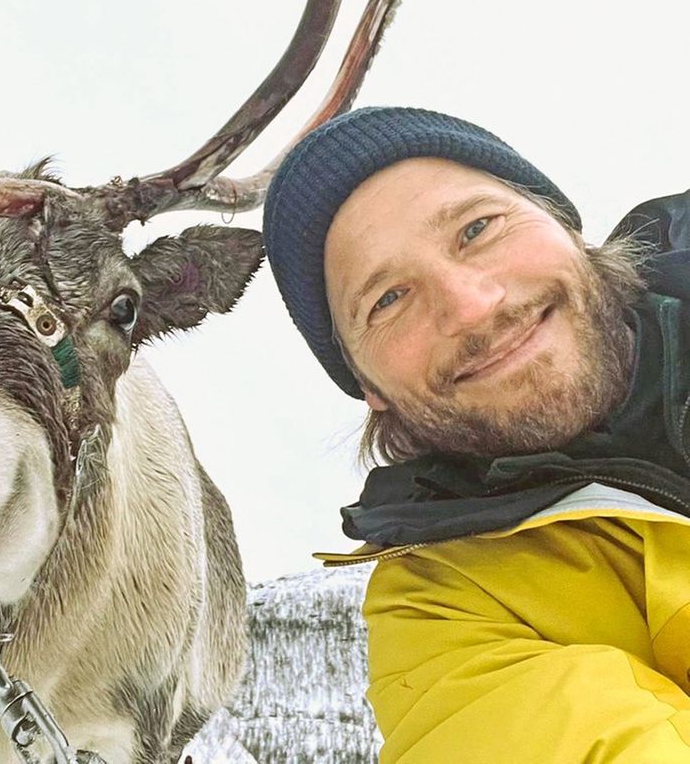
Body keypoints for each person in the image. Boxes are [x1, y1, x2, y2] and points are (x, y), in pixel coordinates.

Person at [262, 106, 690, 762]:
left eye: (477, 228)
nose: (470, 305)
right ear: (370, 387)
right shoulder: (443, 616)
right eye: (388, 299)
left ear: (563, 223)